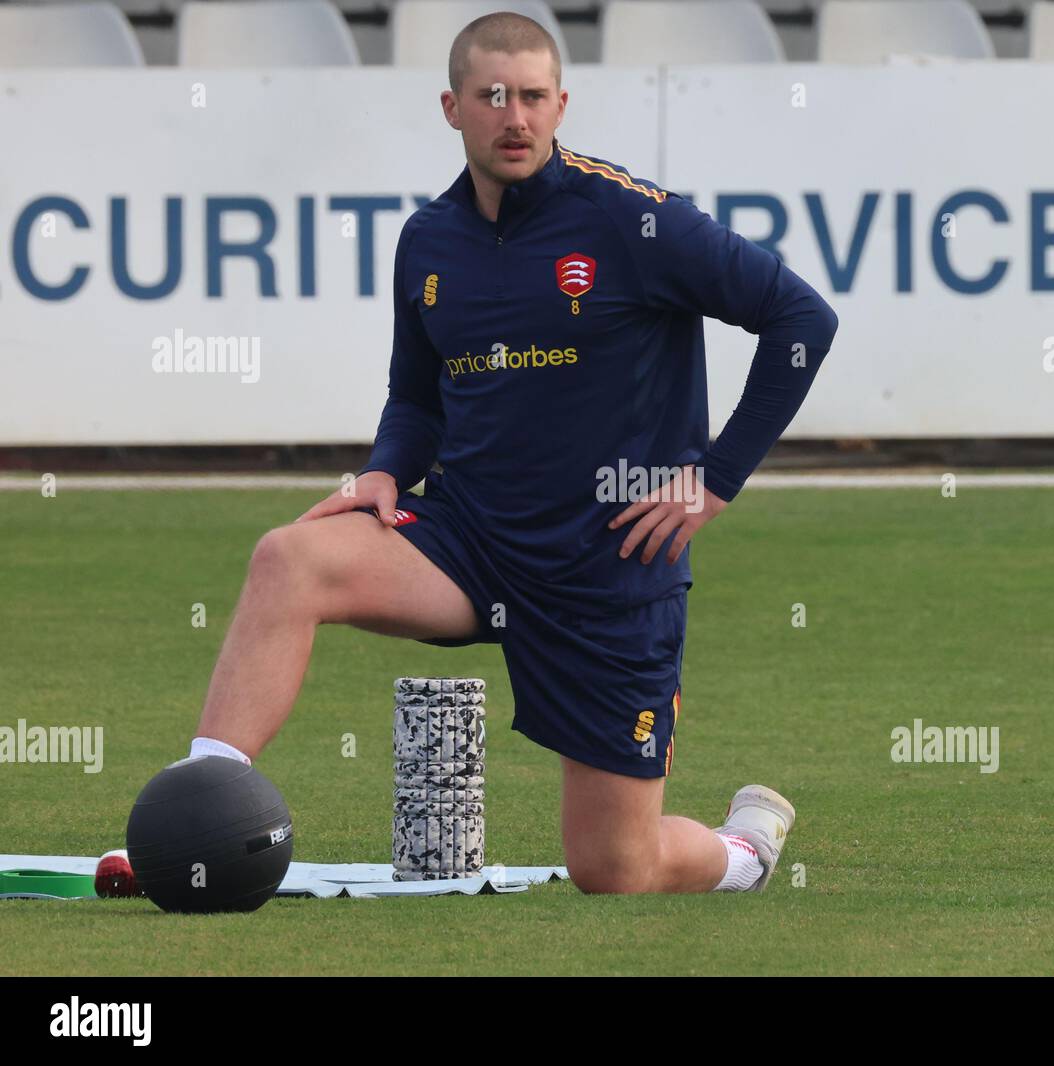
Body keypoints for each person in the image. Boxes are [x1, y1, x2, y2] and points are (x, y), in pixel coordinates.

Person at [191, 11, 838, 894]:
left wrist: (715, 480)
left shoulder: (636, 222)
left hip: (609, 568)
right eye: (493, 97)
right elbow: (417, 398)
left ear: (561, 103)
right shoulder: (428, 240)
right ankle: (198, 805)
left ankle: (745, 853)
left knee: (615, 870)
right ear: (452, 107)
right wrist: (384, 466)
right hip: (470, 542)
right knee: (289, 558)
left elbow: (803, 318)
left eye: (533, 96)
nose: (516, 117)